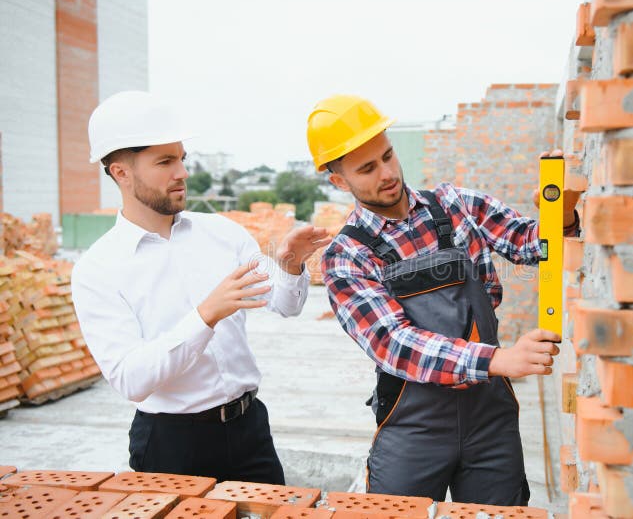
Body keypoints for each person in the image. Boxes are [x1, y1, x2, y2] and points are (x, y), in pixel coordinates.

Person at [308, 95, 580, 505]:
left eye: (387, 156)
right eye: (367, 168)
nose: (387, 173)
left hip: (489, 419)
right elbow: (394, 344)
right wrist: (494, 360)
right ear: (339, 181)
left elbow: (531, 244)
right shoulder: (347, 256)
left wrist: (563, 211)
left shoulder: (456, 206)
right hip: (414, 426)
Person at [72, 90, 331, 483]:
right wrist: (205, 315)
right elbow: (131, 380)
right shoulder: (98, 269)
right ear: (121, 172)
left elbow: (284, 304)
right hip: (171, 444)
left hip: (249, 432)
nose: (182, 173)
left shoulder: (223, 235)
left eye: (181, 158)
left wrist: (290, 264)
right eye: (165, 161)